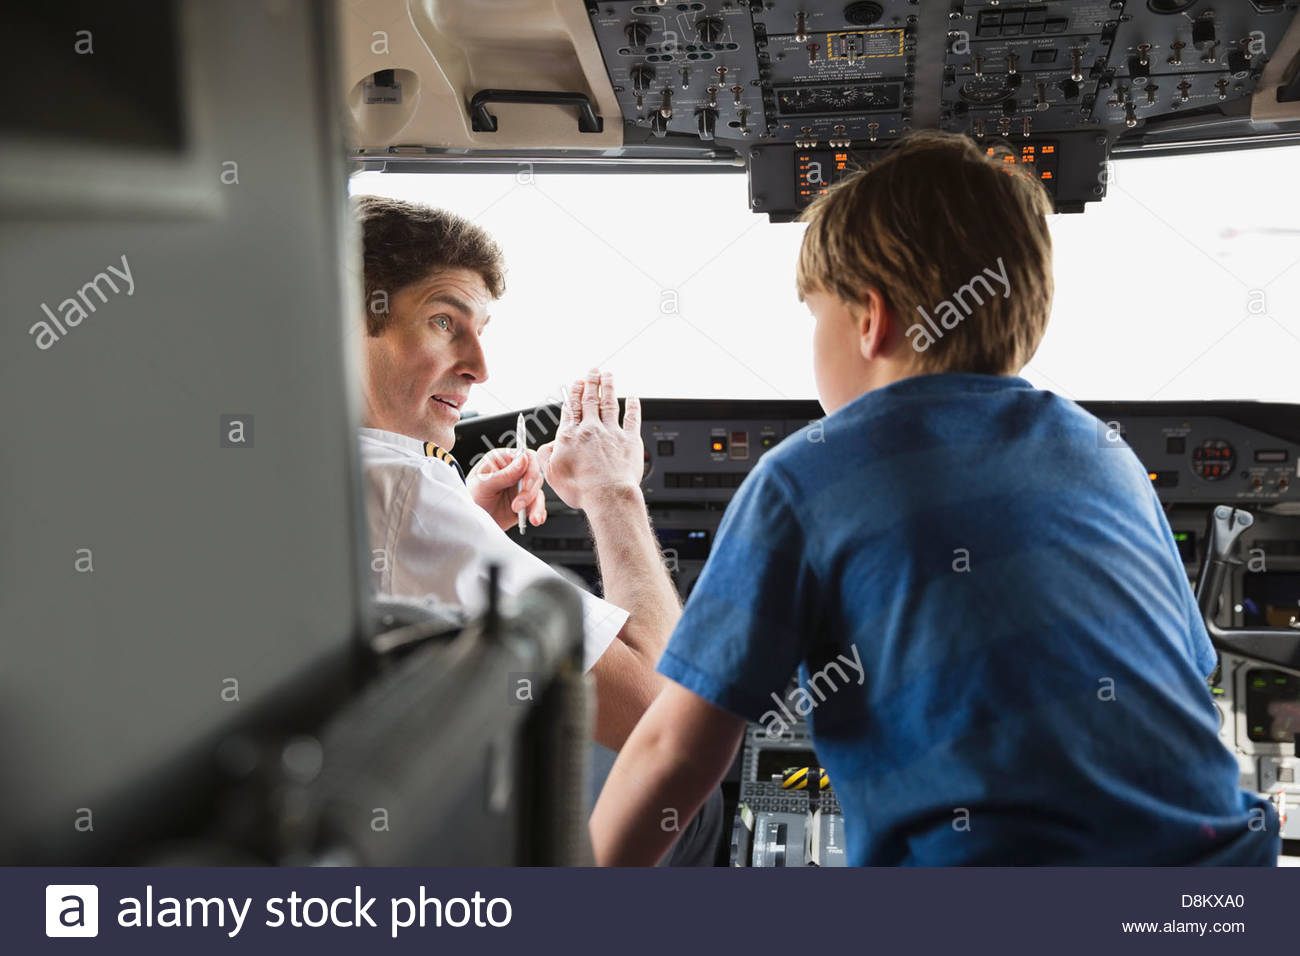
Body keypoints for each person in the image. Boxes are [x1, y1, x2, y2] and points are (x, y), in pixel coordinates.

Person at [589, 131, 1280, 866]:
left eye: (814, 315)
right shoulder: (1107, 458)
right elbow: (1188, 676)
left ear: (869, 319)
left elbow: (673, 748)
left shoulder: (807, 476)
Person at [354, 196, 722, 864]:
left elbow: (387, 571)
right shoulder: (397, 485)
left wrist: (471, 524)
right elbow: (658, 718)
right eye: (444, 322)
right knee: (694, 799)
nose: (479, 367)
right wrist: (611, 491)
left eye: (481, 331)